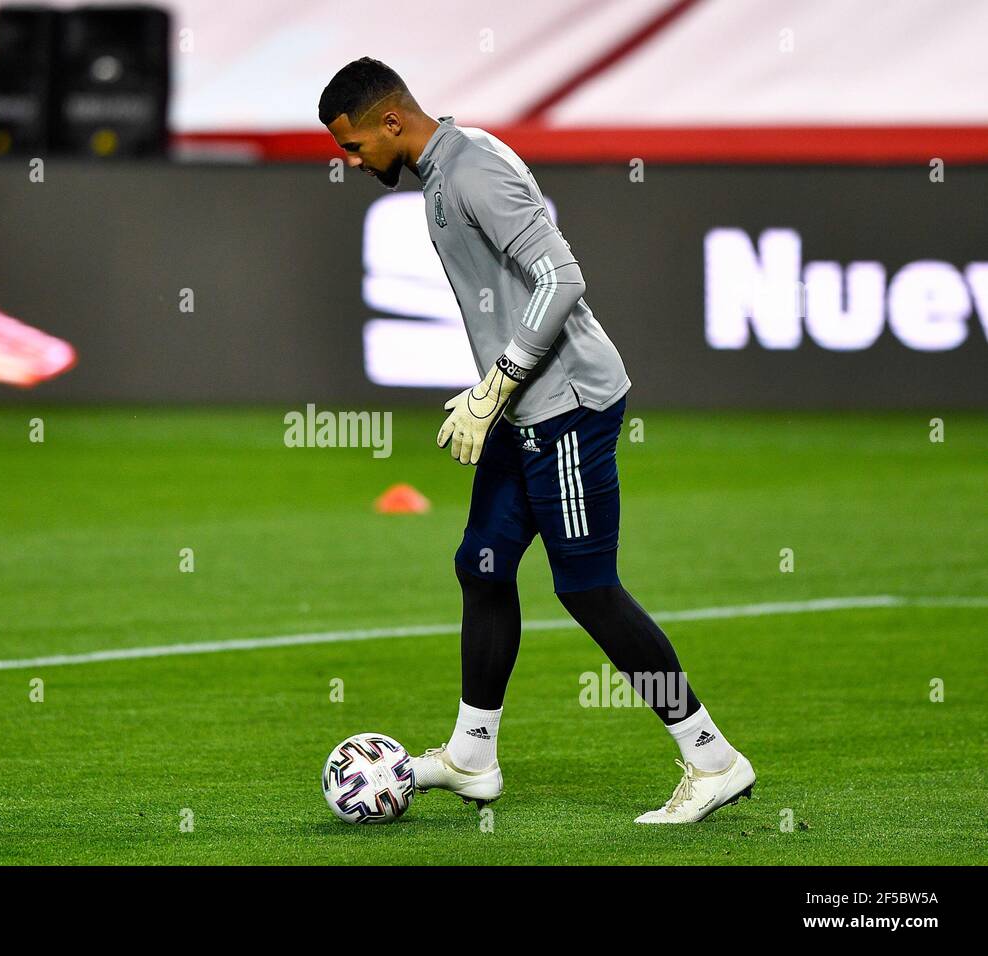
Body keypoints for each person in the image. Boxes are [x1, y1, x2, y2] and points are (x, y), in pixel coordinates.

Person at [318, 58, 755, 823]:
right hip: (524, 410)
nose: (349, 162)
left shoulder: (473, 168)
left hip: (567, 407)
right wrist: (502, 393)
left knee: (587, 589)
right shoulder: (440, 173)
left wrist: (496, 384)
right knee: (482, 567)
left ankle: (711, 758)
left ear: (391, 122)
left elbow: (562, 277)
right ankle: (472, 755)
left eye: (353, 146)